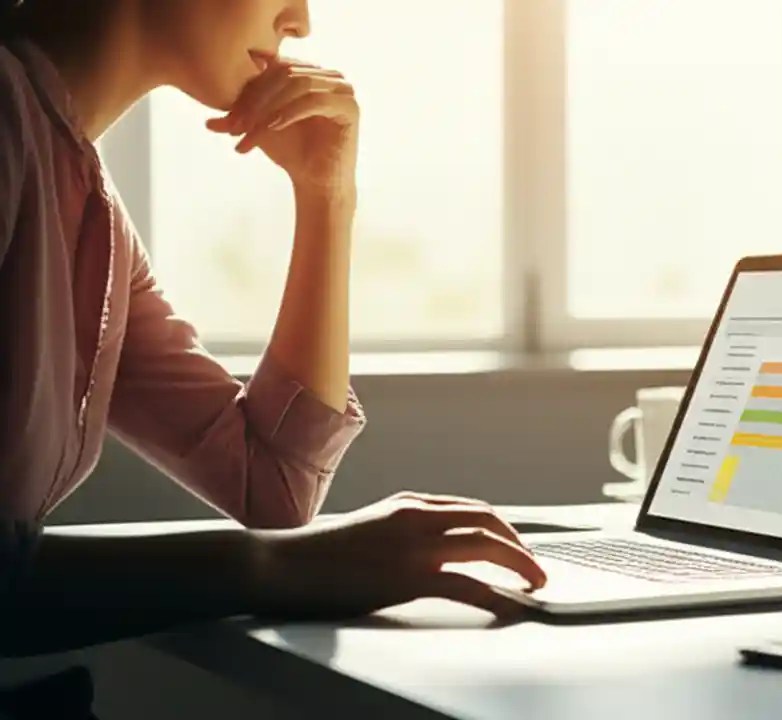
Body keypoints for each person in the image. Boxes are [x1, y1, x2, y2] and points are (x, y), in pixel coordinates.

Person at [0, 0, 547, 661]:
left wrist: (327, 194)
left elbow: (273, 484)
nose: (300, 20)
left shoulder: (91, 211)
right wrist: (283, 566)